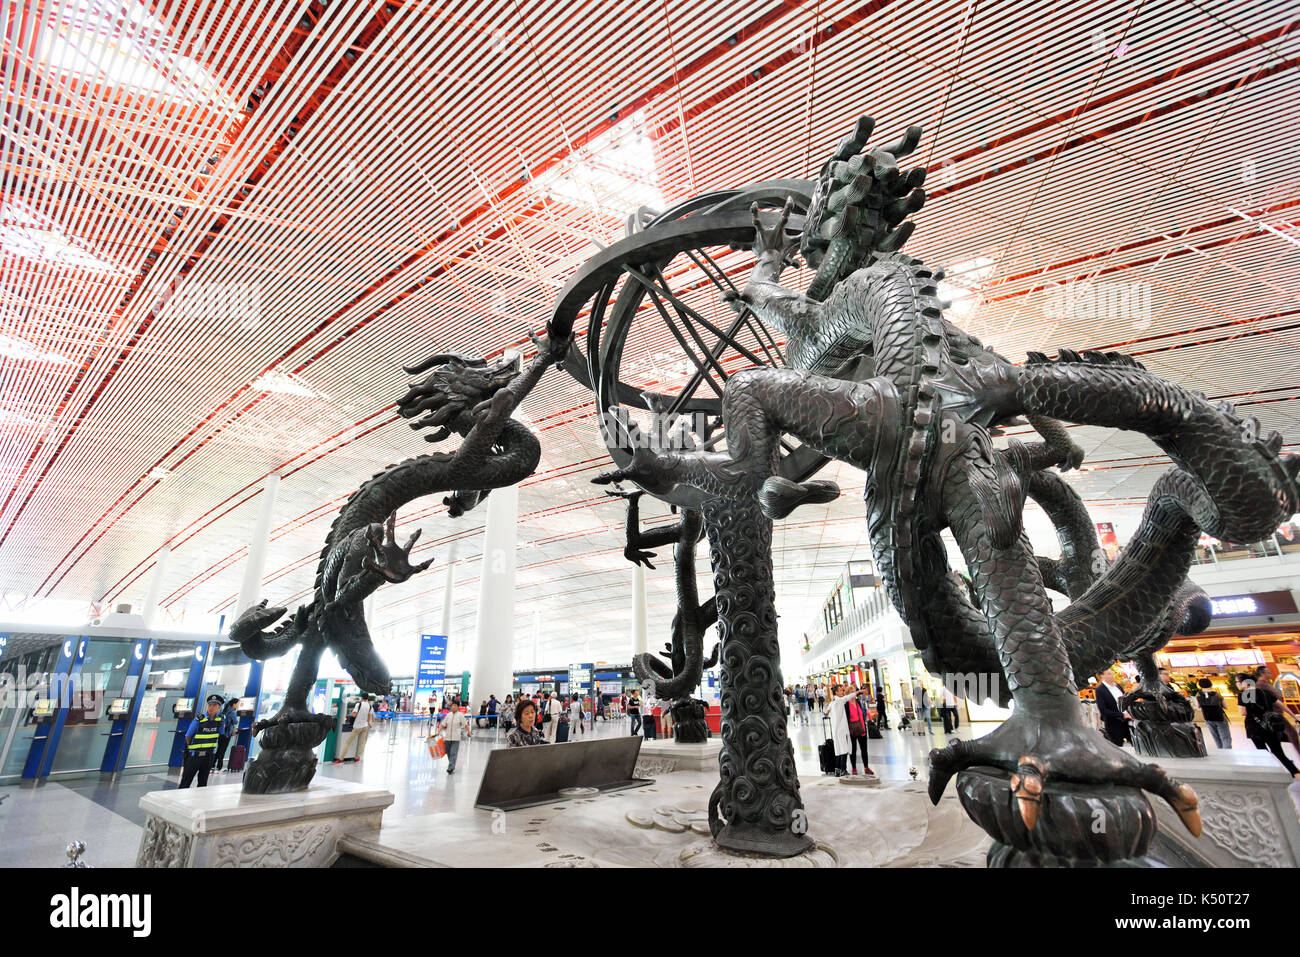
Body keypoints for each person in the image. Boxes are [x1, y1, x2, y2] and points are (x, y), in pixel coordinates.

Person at [1236, 673, 1300, 779]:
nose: (1237, 684)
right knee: (1279, 753)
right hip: (1270, 726)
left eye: (1237, 682)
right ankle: (1295, 773)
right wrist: (1294, 716)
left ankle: (1273, 775)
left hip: (1255, 728)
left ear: (1244, 683)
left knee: (1262, 752)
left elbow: (1243, 712)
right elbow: (1281, 705)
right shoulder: (1264, 693)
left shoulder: (1243, 695)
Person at [179, 695, 224, 788]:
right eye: (210, 705)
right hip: (195, 755)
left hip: (209, 755)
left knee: (203, 783)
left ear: (219, 707)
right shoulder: (199, 719)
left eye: (214, 705)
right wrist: (192, 748)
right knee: (186, 781)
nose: (211, 707)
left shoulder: (220, 721)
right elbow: (188, 736)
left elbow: (220, 734)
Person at [333, 693, 372, 763]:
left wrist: (351, 714)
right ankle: (357, 758)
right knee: (361, 743)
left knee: (347, 742)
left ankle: (341, 758)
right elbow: (369, 718)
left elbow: (354, 715)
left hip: (357, 727)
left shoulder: (358, 704)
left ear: (361, 697)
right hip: (365, 727)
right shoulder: (369, 706)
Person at [435, 697, 471, 773]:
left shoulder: (460, 715)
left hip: (456, 738)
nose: (453, 707)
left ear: (458, 707)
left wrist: (469, 732)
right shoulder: (448, 715)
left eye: (455, 705)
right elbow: (443, 724)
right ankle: (451, 764)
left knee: (453, 753)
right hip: (447, 737)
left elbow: (465, 724)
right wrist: (438, 731)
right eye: (453, 705)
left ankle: (451, 767)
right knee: (448, 752)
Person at [1095, 672, 1130, 747]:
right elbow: (1103, 710)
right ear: (1102, 676)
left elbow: (1126, 701)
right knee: (1118, 748)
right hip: (1114, 725)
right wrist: (1122, 715)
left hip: (1127, 723)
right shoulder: (1100, 690)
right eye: (1109, 673)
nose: (1112, 675)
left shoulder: (1118, 686)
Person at [1196, 678, 1232, 750]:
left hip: (1208, 718)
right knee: (1225, 738)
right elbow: (1226, 707)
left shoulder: (1198, 695)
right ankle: (1227, 754)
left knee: (1216, 738)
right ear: (1210, 684)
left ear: (1200, 686)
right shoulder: (1217, 694)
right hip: (1220, 718)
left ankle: (1221, 752)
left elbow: (1198, 706)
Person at [212, 697, 238, 772]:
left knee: (219, 749)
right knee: (223, 750)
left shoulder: (225, 710)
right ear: (234, 704)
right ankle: (219, 766)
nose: (237, 706)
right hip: (227, 734)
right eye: (237, 704)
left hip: (221, 732)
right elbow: (236, 721)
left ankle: (212, 764)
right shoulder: (232, 712)